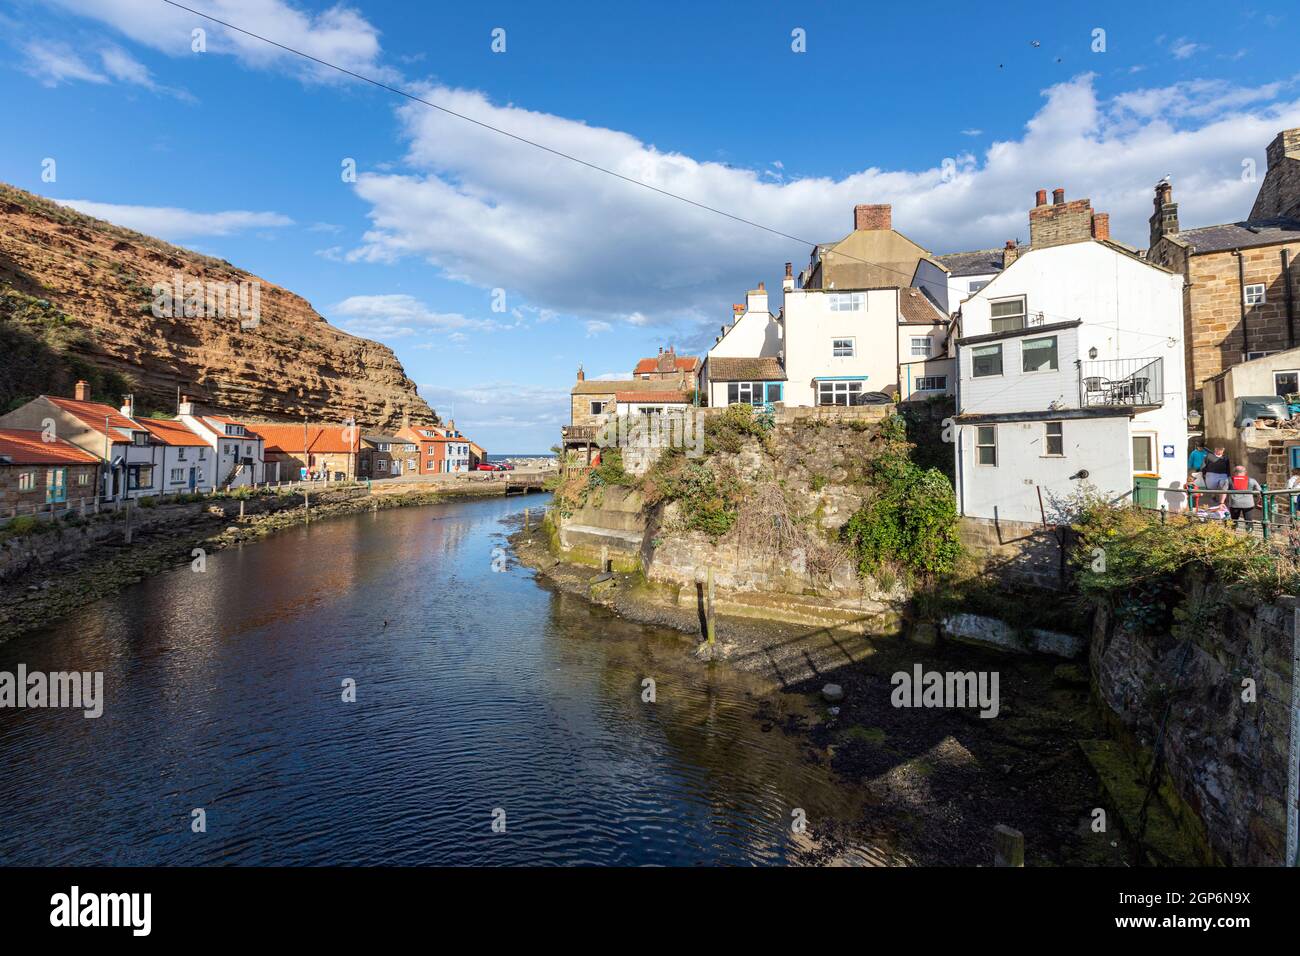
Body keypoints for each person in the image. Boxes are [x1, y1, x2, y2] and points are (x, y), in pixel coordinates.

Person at [1226, 465, 1262, 531]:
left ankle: (1232, 534)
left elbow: (1223, 492)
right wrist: (1259, 500)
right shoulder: (1252, 480)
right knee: (1248, 520)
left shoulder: (1229, 480)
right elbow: (1260, 491)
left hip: (1234, 504)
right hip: (1248, 504)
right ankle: (1249, 534)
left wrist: (1221, 502)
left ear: (1234, 472)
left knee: (1234, 520)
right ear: (1245, 472)